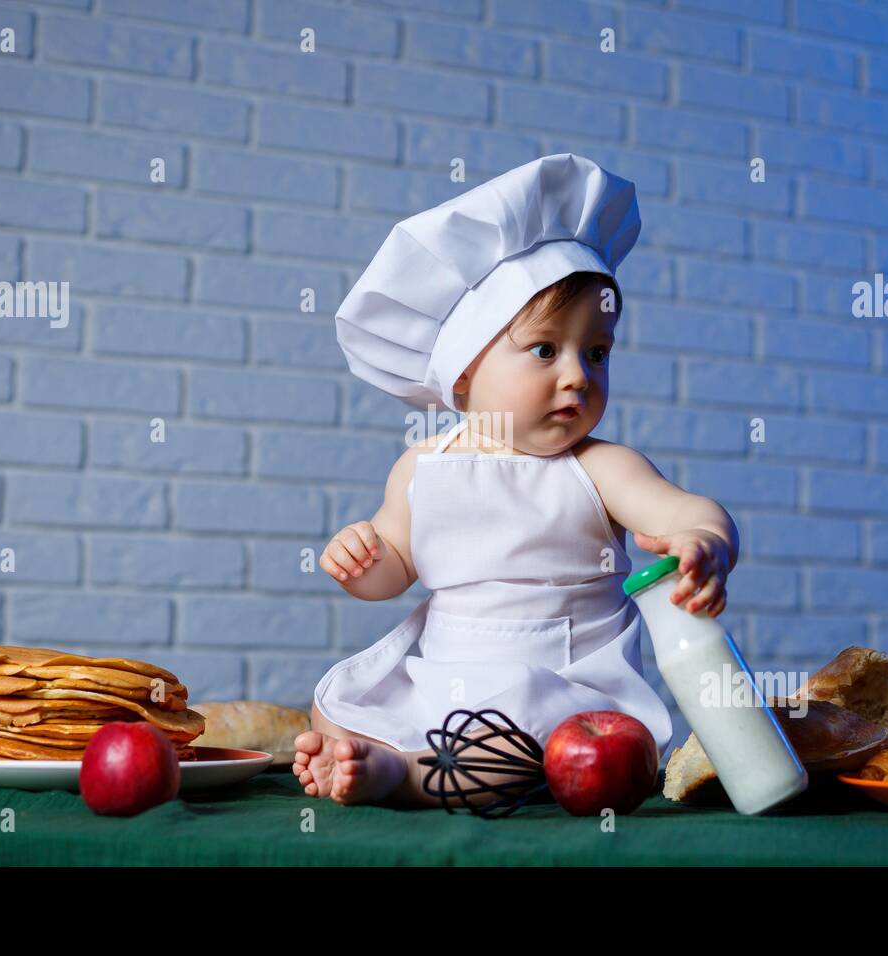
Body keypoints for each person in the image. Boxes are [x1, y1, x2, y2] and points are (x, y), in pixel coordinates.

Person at [293, 154, 739, 808]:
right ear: (464, 374)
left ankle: (397, 777)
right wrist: (362, 558)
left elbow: (685, 510)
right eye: (545, 350)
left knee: (507, 747)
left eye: (596, 351)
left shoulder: (598, 468)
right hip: (445, 669)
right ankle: (367, 750)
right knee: (335, 703)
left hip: (561, 688)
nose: (578, 376)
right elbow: (395, 565)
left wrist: (706, 543)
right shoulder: (422, 468)